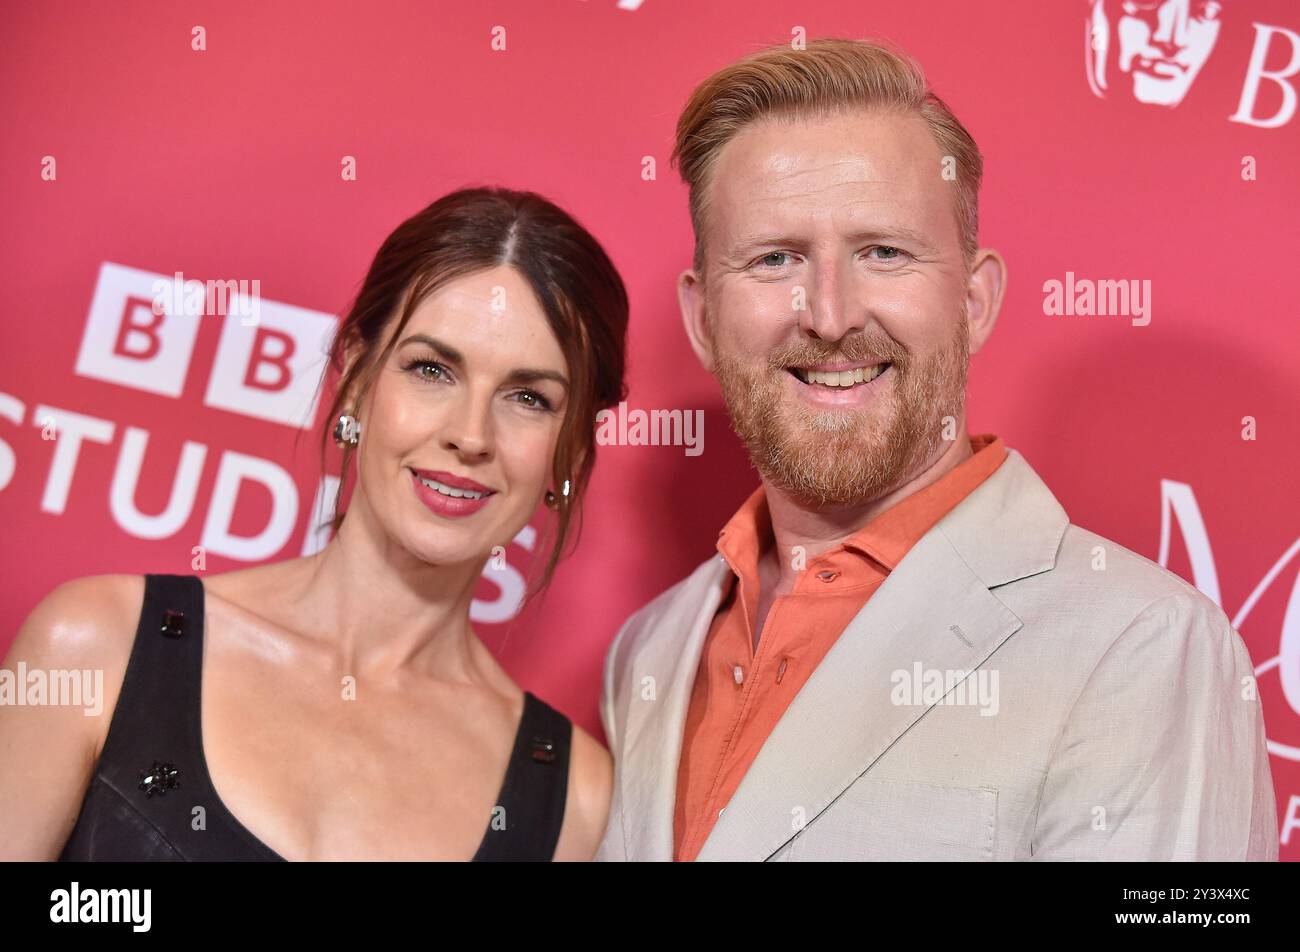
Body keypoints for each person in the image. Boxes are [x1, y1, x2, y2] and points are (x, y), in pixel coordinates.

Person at [595, 38, 1277, 861]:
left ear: (975, 300)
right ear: (703, 320)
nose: (831, 313)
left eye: (884, 252)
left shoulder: (1146, 651)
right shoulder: (653, 649)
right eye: (775, 258)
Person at [1, 186, 627, 861]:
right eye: (432, 369)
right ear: (357, 376)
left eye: (528, 397)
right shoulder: (99, 644)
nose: (471, 435)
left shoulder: (575, 803)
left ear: (574, 446)